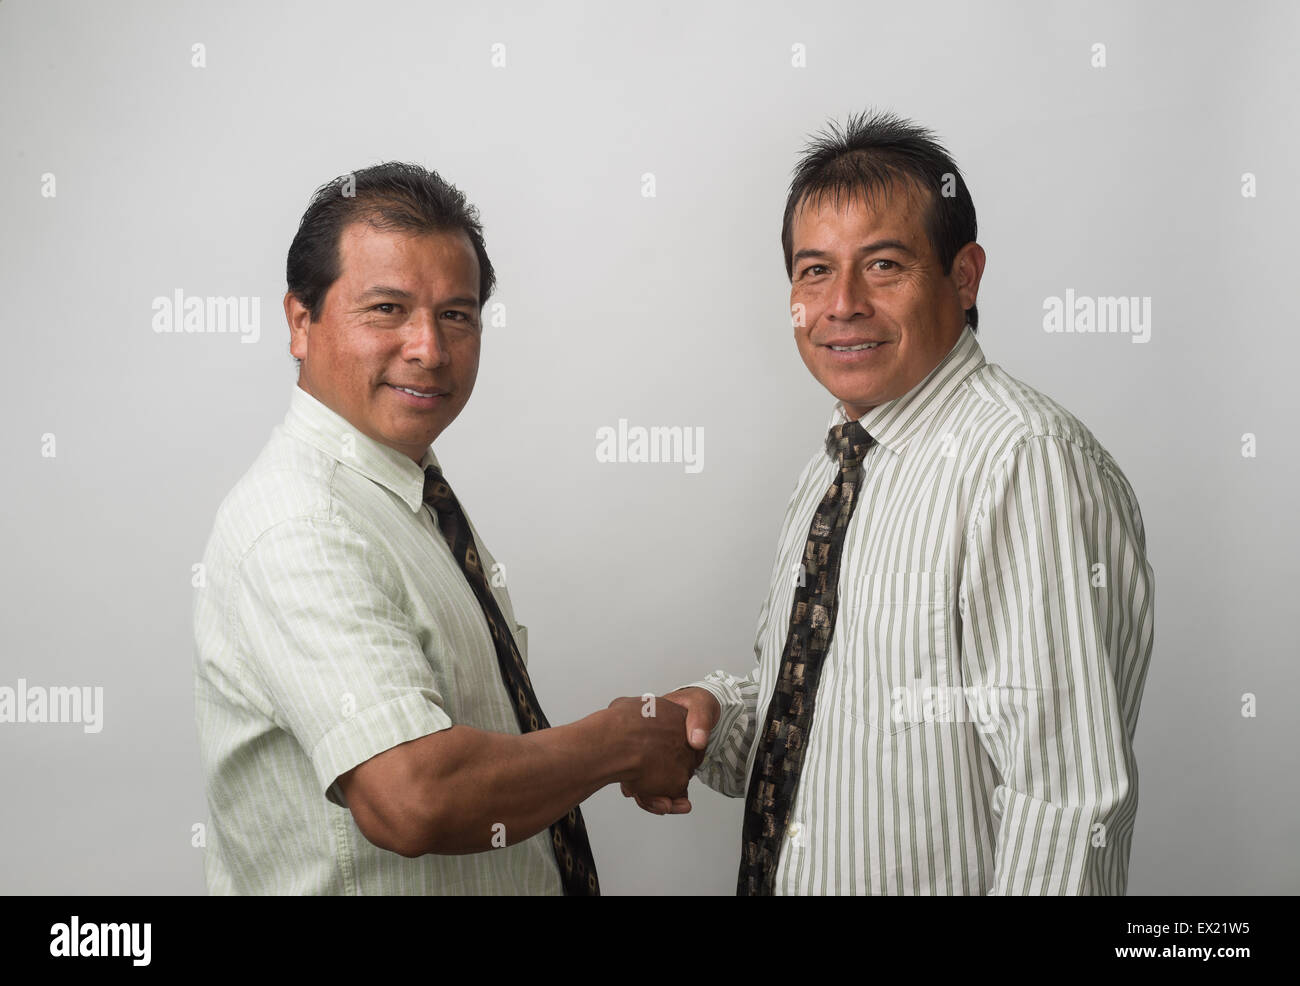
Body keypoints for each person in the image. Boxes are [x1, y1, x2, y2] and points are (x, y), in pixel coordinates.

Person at [624, 111, 1156, 895]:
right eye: (814, 271)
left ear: (965, 276)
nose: (841, 304)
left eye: (882, 265)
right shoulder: (842, 462)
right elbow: (833, 722)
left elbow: (1067, 805)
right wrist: (716, 714)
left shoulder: (1023, 463)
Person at [193, 162, 696, 895]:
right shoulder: (302, 522)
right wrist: (618, 741)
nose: (429, 347)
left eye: (455, 314)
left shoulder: (404, 497)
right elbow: (413, 798)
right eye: (387, 309)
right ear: (301, 322)